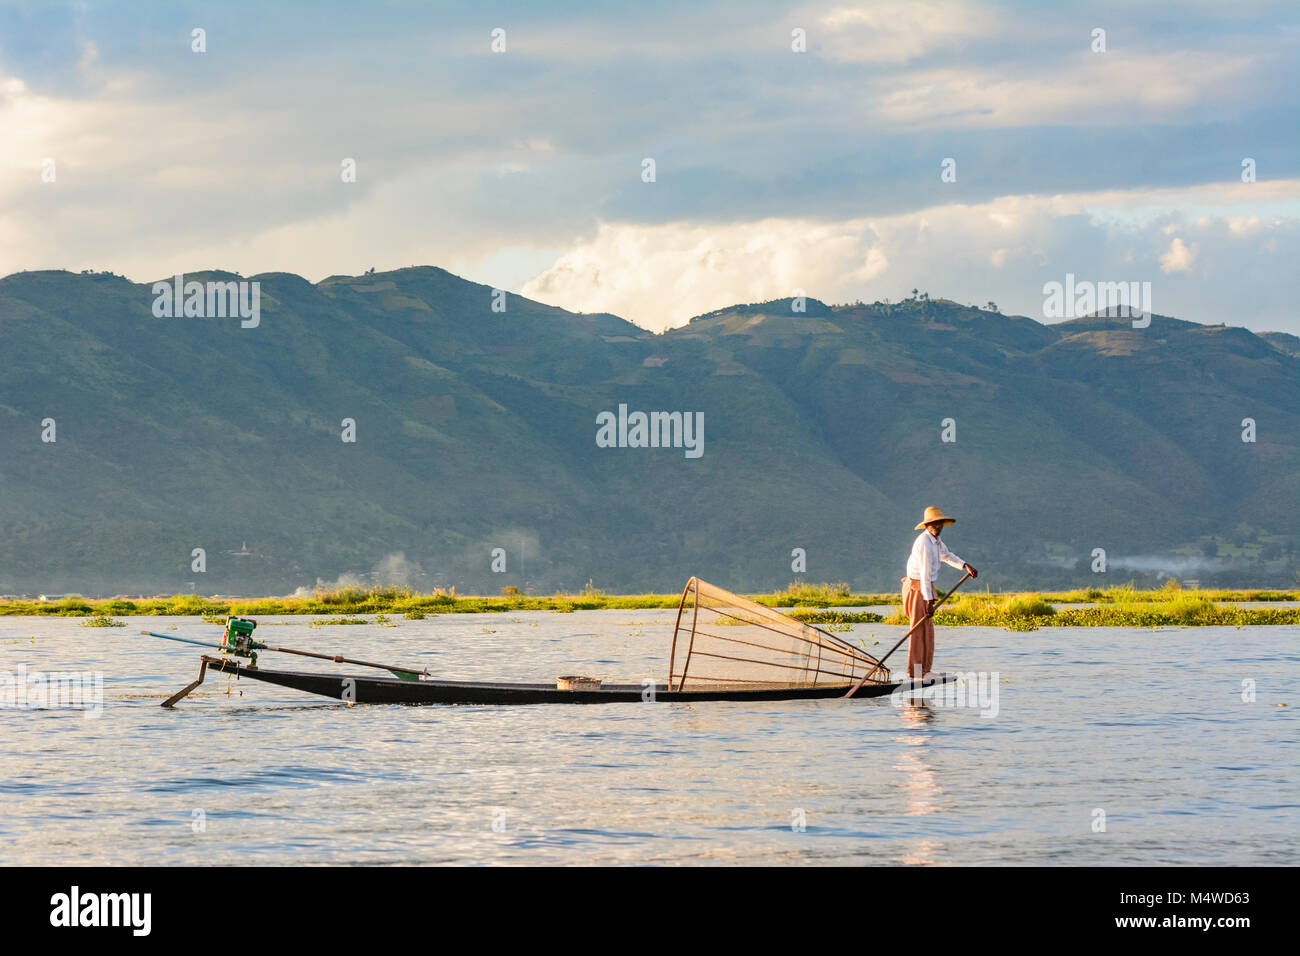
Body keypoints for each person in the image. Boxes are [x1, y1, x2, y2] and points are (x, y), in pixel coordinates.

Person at [902, 506, 978, 679]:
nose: (937, 526)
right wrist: (929, 600)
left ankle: (925, 671)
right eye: (933, 523)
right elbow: (925, 572)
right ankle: (915, 672)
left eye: (939, 523)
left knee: (927, 629)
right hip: (917, 587)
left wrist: (965, 565)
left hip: (925, 586)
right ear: (927, 525)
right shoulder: (924, 543)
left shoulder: (936, 541)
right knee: (918, 629)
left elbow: (947, 555)